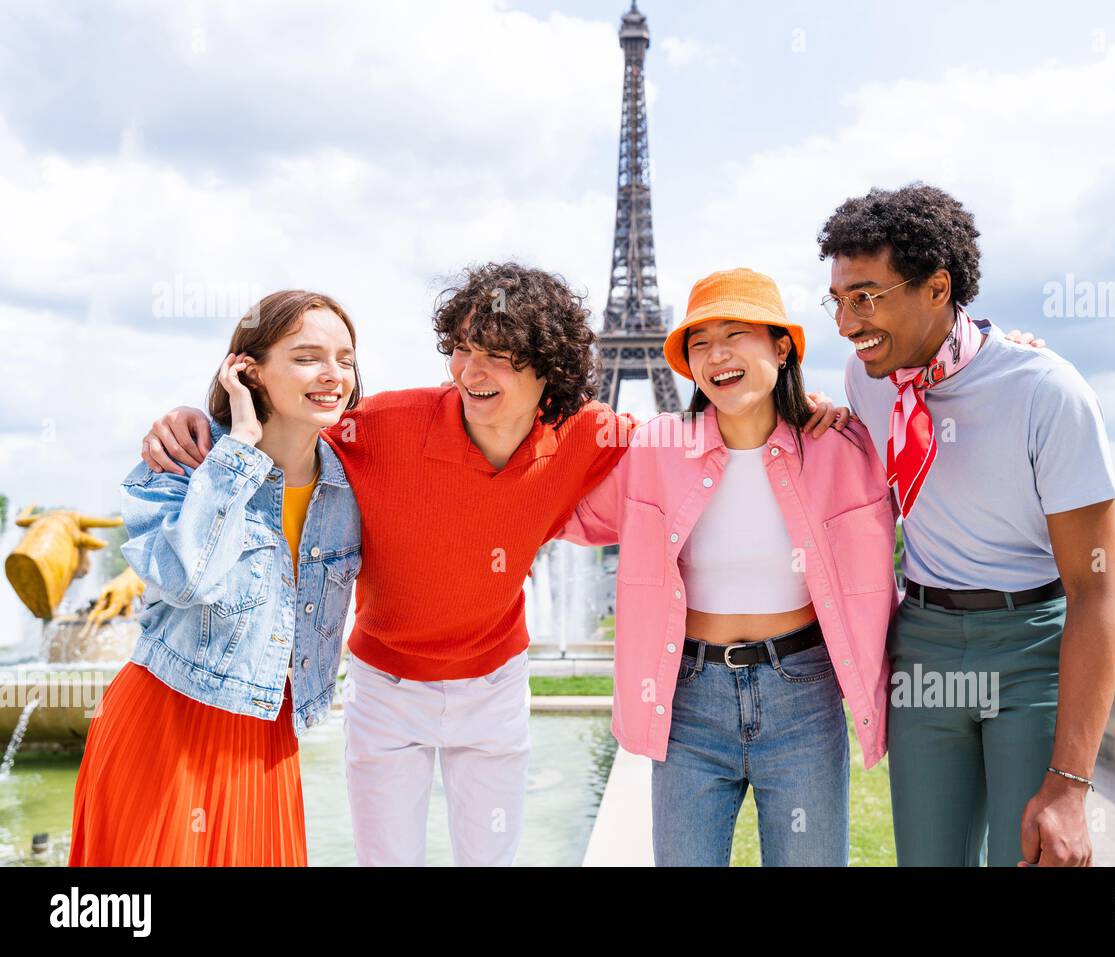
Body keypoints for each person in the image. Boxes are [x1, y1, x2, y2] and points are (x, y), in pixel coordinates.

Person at [138, 262, 851, 866]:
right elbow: (291, 419)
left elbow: (712, 429)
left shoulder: (594, 433)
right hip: (386, 689)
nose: (473, 372)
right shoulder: (381, 425)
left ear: (550, 370)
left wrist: (798, 406)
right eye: (464, 349)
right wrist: (188, 414)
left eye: (501, 356)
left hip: (494, 687)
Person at [820, 183, 1115, 867]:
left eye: (865, 296)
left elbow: (1096, 589)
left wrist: (1072, 785)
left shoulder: (1047, 392)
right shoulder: (866, 377)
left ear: (937, 288)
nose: (845, 321)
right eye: (836, 299)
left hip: (1031, 652)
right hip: (924, 646)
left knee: (1034, 853)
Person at [559, 268, 895, 866]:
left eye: (736, 334)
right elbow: (572, 516)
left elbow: (942, 460)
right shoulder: (654, 449)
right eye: (700, 342)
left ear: (781, 345)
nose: (717, 355)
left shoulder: (842, 447)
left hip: (802, 696)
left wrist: (997, 352)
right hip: (689, 702)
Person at [69, 290, 363, 865]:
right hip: (166, 726)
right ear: (246, 371)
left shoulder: (356, 484)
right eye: (307, 357)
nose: (333, 375)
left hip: (266, 737)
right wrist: (241, 449)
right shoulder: (189, 462)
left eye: (345, 359)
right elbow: (184, 580)